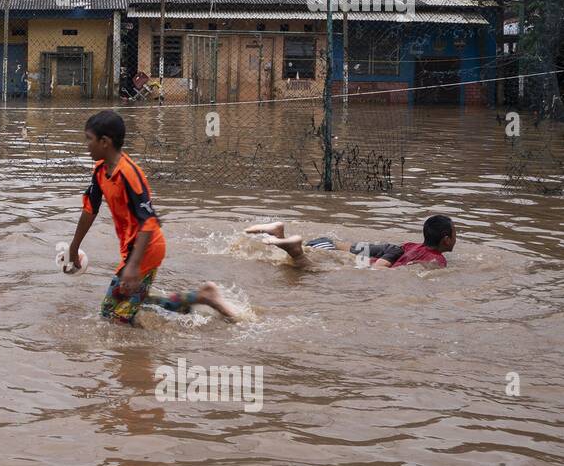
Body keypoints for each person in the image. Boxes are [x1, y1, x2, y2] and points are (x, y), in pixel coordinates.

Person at [67, 110, 239, 325]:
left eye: (89, 139)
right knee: (130, 301)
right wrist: (73, 248)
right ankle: (203, 297)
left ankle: (140, 356)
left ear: (105, 142)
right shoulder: (100, 170)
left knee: (116, 316)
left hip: (146, 249)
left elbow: (149, 222)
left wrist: (133, 266)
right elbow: (90, 209)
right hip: (131, 249)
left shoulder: (129, 174)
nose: (86, 145)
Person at [245, 215, 456, 269]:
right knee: (307, 267)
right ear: (446, 239)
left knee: (285, 262)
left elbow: (363, 250)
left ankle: (279, 234)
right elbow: (402, 271)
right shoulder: (437, 261)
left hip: (330, 245)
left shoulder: (410, 245)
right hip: (359, 264)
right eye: (455, 233)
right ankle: (291, 246)